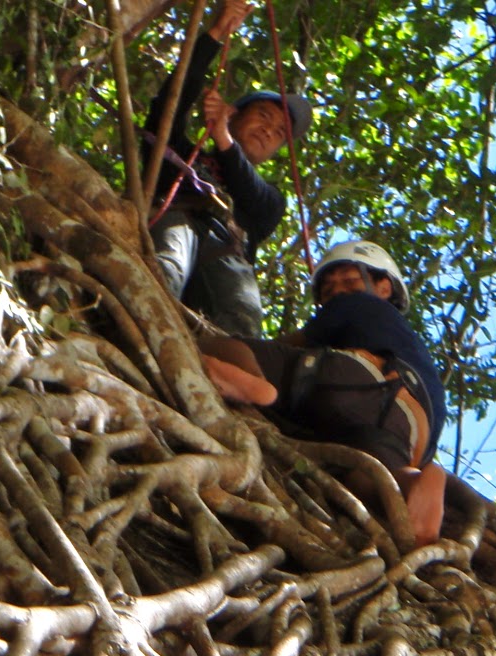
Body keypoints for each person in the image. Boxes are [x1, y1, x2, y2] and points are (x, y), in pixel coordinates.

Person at [200, 240, 449, 547]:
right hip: (410, 427)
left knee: (223, 346)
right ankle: (413, 482)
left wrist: (268, 353)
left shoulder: (359, 305)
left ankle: (255, 382)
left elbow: (298, 342)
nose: (338, 291)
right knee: (366, 478)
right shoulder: (414, 350)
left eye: (349, 281)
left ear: (384, 287)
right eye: (328, 289)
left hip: (358, 377)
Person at [144, 0, 311, 337]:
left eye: (280, 133)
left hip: (227, 254)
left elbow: (254, 194)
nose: (269, 130)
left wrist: (223, 137)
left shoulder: (269, 201)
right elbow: (168, 107)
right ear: (233, 114)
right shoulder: (183, 158)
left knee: (241, 323)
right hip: (174, 225)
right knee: (165, 270)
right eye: (264, 115)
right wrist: (216, 33)